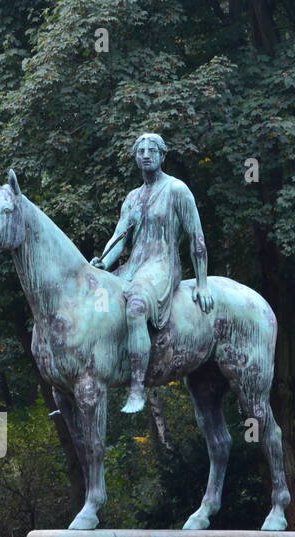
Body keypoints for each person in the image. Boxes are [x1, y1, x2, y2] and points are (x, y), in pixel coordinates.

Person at [90, 132, 214, 413]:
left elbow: (197, 238)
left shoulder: (177, 190)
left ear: (161, 155)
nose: (145, 155)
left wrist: (203, 284)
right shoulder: (132, 197)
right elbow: (119, 238)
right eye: (140, 151)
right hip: (134, 265)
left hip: (162, 265)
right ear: (136, 158)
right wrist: (102, 265)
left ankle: (137, 388)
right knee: (97, 301)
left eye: (151, 150)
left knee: (135, 307)